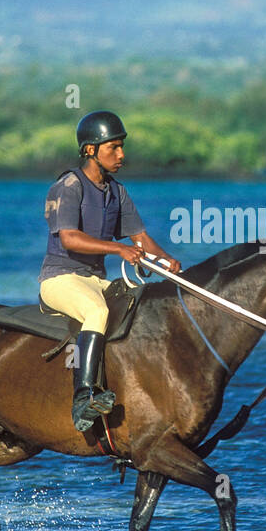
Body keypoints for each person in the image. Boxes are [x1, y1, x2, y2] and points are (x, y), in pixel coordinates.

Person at [38, 110, 181, 431]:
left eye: (122, 147)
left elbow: (140, 238)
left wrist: (168, 261)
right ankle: (84, 397)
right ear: (90, 151)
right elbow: (70, 238)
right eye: (113, 148)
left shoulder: (117, 191)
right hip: (60, 279)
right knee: (97, 312)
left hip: (95, 280)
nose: (121, 155)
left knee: (141, 306)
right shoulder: (68, 186)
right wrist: (119, 249)